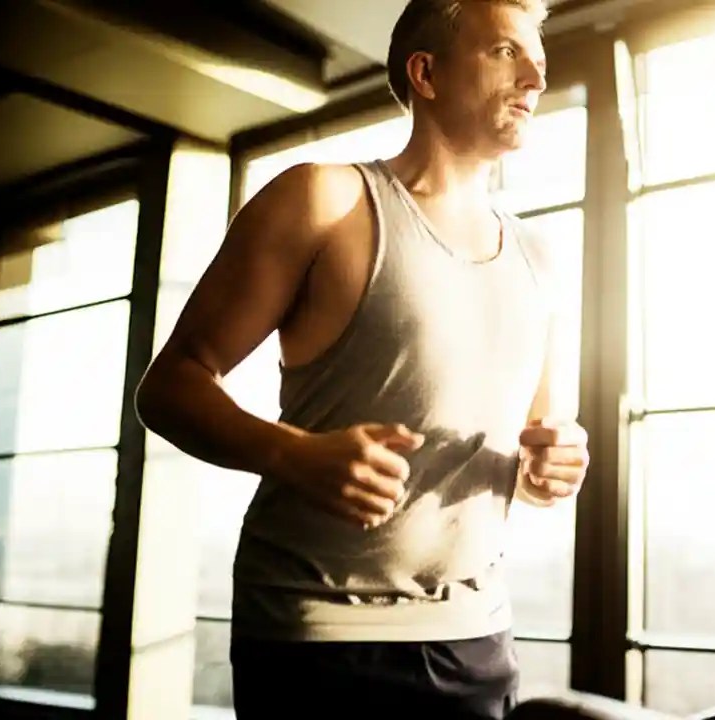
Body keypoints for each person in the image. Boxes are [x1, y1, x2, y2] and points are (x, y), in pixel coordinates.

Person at [134, 0, 587, 716]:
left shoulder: (542, 259)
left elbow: (537, 454)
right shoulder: (325, 200)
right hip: (318, 635)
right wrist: (292, 454)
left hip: (478, 634)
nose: (535, 72)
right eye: (505, 51)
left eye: (538, 55)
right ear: (426, 72)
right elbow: (169, 388)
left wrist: (551, 468)